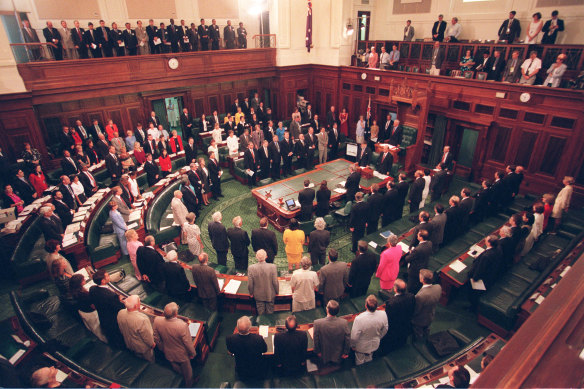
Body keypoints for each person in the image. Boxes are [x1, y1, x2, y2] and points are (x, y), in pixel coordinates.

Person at [152, 303, 197, 386]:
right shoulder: (182, 325)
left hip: (168, 353)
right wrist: (193, 354)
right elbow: (187, 343)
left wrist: (162, 348)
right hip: (182, 355)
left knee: (176, 369)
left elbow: (156, 338)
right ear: (175, 314)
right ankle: (189, 385)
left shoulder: (157, 320)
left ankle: (180, 381)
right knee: (188, 374)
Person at [89, 270, 125, 345]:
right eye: (107, 276)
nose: (109, 276)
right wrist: (120, 301)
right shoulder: (110, 296)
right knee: (118, 339)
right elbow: (120, 307)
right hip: (113, 321)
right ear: (103, 281)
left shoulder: (92, 289)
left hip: (102, 317)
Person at [226, 316, 268, 381]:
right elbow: (264, 350)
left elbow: (230, 351)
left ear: (237, 327)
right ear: (249, 328)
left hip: (241, 370)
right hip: (257, 370)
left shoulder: (230, 338)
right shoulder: (258, 338)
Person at [69, 274, 107, 342]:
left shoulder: (73, 291)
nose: (85, 280)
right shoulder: (84, 295)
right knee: (97, 329)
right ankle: (104, 341)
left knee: (90, 327)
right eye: (83, 280)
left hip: (82, 311)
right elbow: (93, 306)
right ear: (80, 283)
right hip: (90, 313)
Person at [351, 295, 388, 365]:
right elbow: (385, 329)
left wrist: (352, 345)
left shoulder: (359, 319)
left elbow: (354, 336)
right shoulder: (383, 314)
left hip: (361, 347)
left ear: (366, 306)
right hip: (375, 344)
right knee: (369, 358)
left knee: (359, 361)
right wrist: (378, 338)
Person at [117, 295, 155, 362]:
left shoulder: (120, 313)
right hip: (143, 349)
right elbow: (147, 337)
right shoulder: (142, 319)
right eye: (139, 302)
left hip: (129, 344)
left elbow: (121, 329)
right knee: (149, 362)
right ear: (135, 306)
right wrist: (152, 344)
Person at [313, 300, 350, 366]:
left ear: (327, 310)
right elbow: (347, 339)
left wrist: (317, 351)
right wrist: (346, 352)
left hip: (324, 353)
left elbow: (316, 339)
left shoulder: (317, 323)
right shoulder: (344, 323)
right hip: (338, 354)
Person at [382, 279, 415, 351]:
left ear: (395, 289)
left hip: (394, 329)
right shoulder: (411, 297)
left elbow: (388, 319)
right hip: (406, 325)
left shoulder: (391, 303)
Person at [411, 269, 441, 340]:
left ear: (422, 279)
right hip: (431, 314)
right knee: (426, 328)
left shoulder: (420, 296)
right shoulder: (438, 287)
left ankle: (418, 340)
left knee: (418, 332)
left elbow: (416, 310)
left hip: (420, 319)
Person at [248, 249, 279, 315]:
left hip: (258, 296)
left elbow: (250, 284)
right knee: (270, 314)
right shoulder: (273, 267)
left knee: (261, 315)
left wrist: (251, 293)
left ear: (256, 257)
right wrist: (277, 291)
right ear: (266, 257)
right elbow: (275, 282)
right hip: (270, 294)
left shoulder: (251, 268)